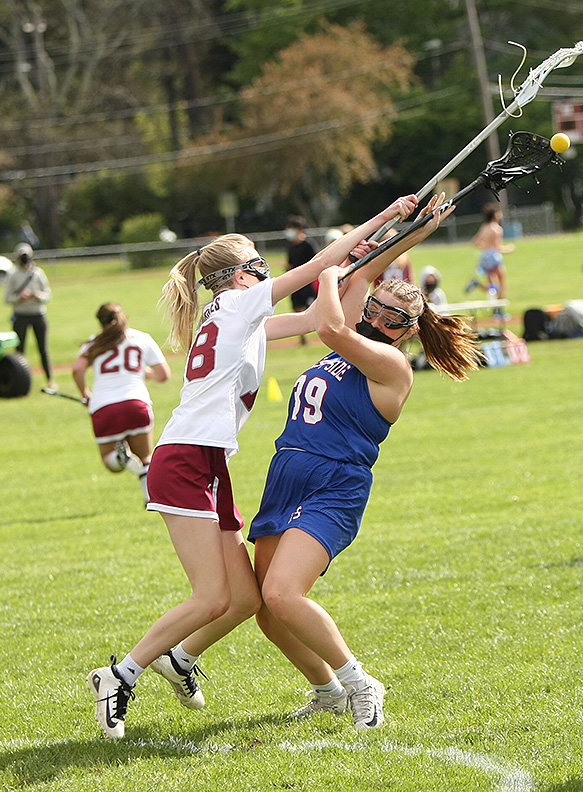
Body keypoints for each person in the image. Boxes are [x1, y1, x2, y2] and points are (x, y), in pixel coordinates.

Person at [86, 193, 434, 739]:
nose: (264, 268)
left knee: (248, 598)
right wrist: (386, 218)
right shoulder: (237, 304)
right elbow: (322, 269)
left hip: (209, 460)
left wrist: (388, 243)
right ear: (239, 273)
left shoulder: (237, 316)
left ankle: (179, 659)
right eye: (257, 261)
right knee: (211, 596)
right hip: (187, 457)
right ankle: (119, 676)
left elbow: (323, 314)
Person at [248, 220, 479, 731]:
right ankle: (327, 691)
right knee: (267, 610)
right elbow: (365, 277)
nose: (375, 319)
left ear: (408, 330)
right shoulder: (354, 339)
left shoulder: (391, 365)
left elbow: (330, 326)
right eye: (373, 308)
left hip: (335, 484)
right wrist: (413, 227)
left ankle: (360, 682)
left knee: (284, 593)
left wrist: (330, 277)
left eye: (391, 317)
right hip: (286, 474)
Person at [72, 303, 172, 504]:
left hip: (103, 406)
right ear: (124, 317)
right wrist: (146, 373)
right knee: (145, 456)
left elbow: (77, 370)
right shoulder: (141, 338)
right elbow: (163, 375)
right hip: (137, 403)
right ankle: (149, 497)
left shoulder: (94, 343)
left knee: (109, 461)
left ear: (100, 323)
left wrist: (85, 394)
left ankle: (119, 458)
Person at [4, 243, 56, 389]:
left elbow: (48, 295)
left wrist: (38, 295)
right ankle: (19, 382)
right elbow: (7, 298)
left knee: (43, 349)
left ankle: (50, 380)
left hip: (38, 314)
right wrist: (19, 298)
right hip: (21, 315)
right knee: (19, 350)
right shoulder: (13, 275)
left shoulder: (38, 273)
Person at [465, 203, 514, 317]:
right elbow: (498, 248)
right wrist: (509, 249)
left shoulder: (485, 227)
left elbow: (475, 242)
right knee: (502, 283)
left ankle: (477, 284)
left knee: (493, 285)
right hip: (494, 257)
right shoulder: (497, 229)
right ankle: (499, 309)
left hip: (485, 256)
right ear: (495, 215)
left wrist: (486, 247)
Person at [284, 215, 318, 345]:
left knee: (312, 307)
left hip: (307, 283)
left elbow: (316, 261)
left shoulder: (308, 245)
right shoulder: (291, 247)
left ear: (299, 229)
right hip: (295, 282)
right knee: (297, 308)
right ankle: (302, 337)